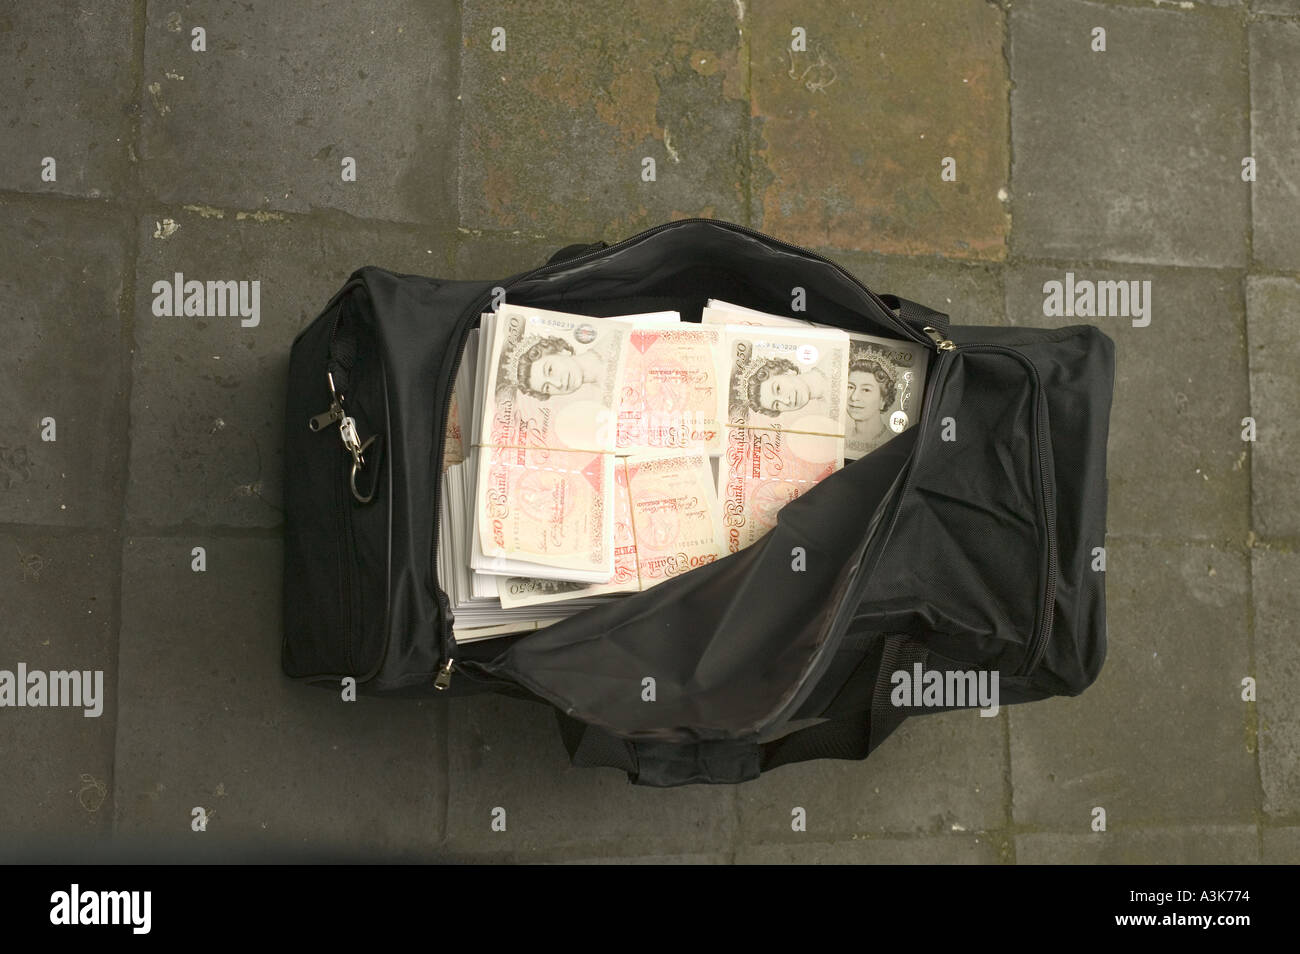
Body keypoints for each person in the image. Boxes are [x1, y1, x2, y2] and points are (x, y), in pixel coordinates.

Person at [502, 334, 607, 400]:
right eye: (547, 388)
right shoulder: (602, 401)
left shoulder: (611, 341)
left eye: (550, 370)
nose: (558, 384)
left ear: (561, 350)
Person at [737, 356, 832, 417]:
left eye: (778, 389)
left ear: (788, 371)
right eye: (777, 405)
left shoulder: (832, 360)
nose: (786, 401)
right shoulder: (828, 415)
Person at [846, 345, 901, 449]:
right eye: (850, 387)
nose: (854, 397)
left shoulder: (892, 444)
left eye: (866, 389)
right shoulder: (841, 437)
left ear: (883, 399)